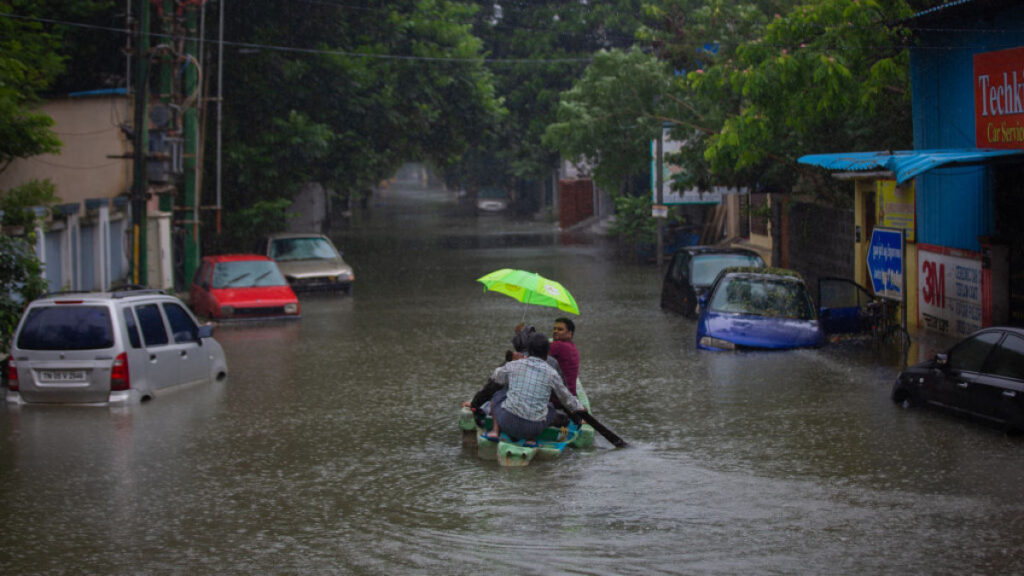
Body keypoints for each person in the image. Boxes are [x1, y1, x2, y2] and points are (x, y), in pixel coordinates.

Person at [487, 333, 585, 443]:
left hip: (508, 422)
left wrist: (512, 362)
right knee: (561, 418)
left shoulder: (514, 364)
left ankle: (495, 431)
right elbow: (566, 399)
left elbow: (495, 377)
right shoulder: (552, 372)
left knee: (497, 396)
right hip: (534, 428)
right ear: (547, 352)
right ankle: (560, 439)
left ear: (528, 350)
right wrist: (580, 409)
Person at [548, 317, 580, 396]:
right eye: (554, 329)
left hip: (561, 397)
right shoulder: (572, 346)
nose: (555, 331)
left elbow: (535, 355)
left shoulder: (558, 346)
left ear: (569, 334)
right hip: (571, 393)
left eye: (560, 329)